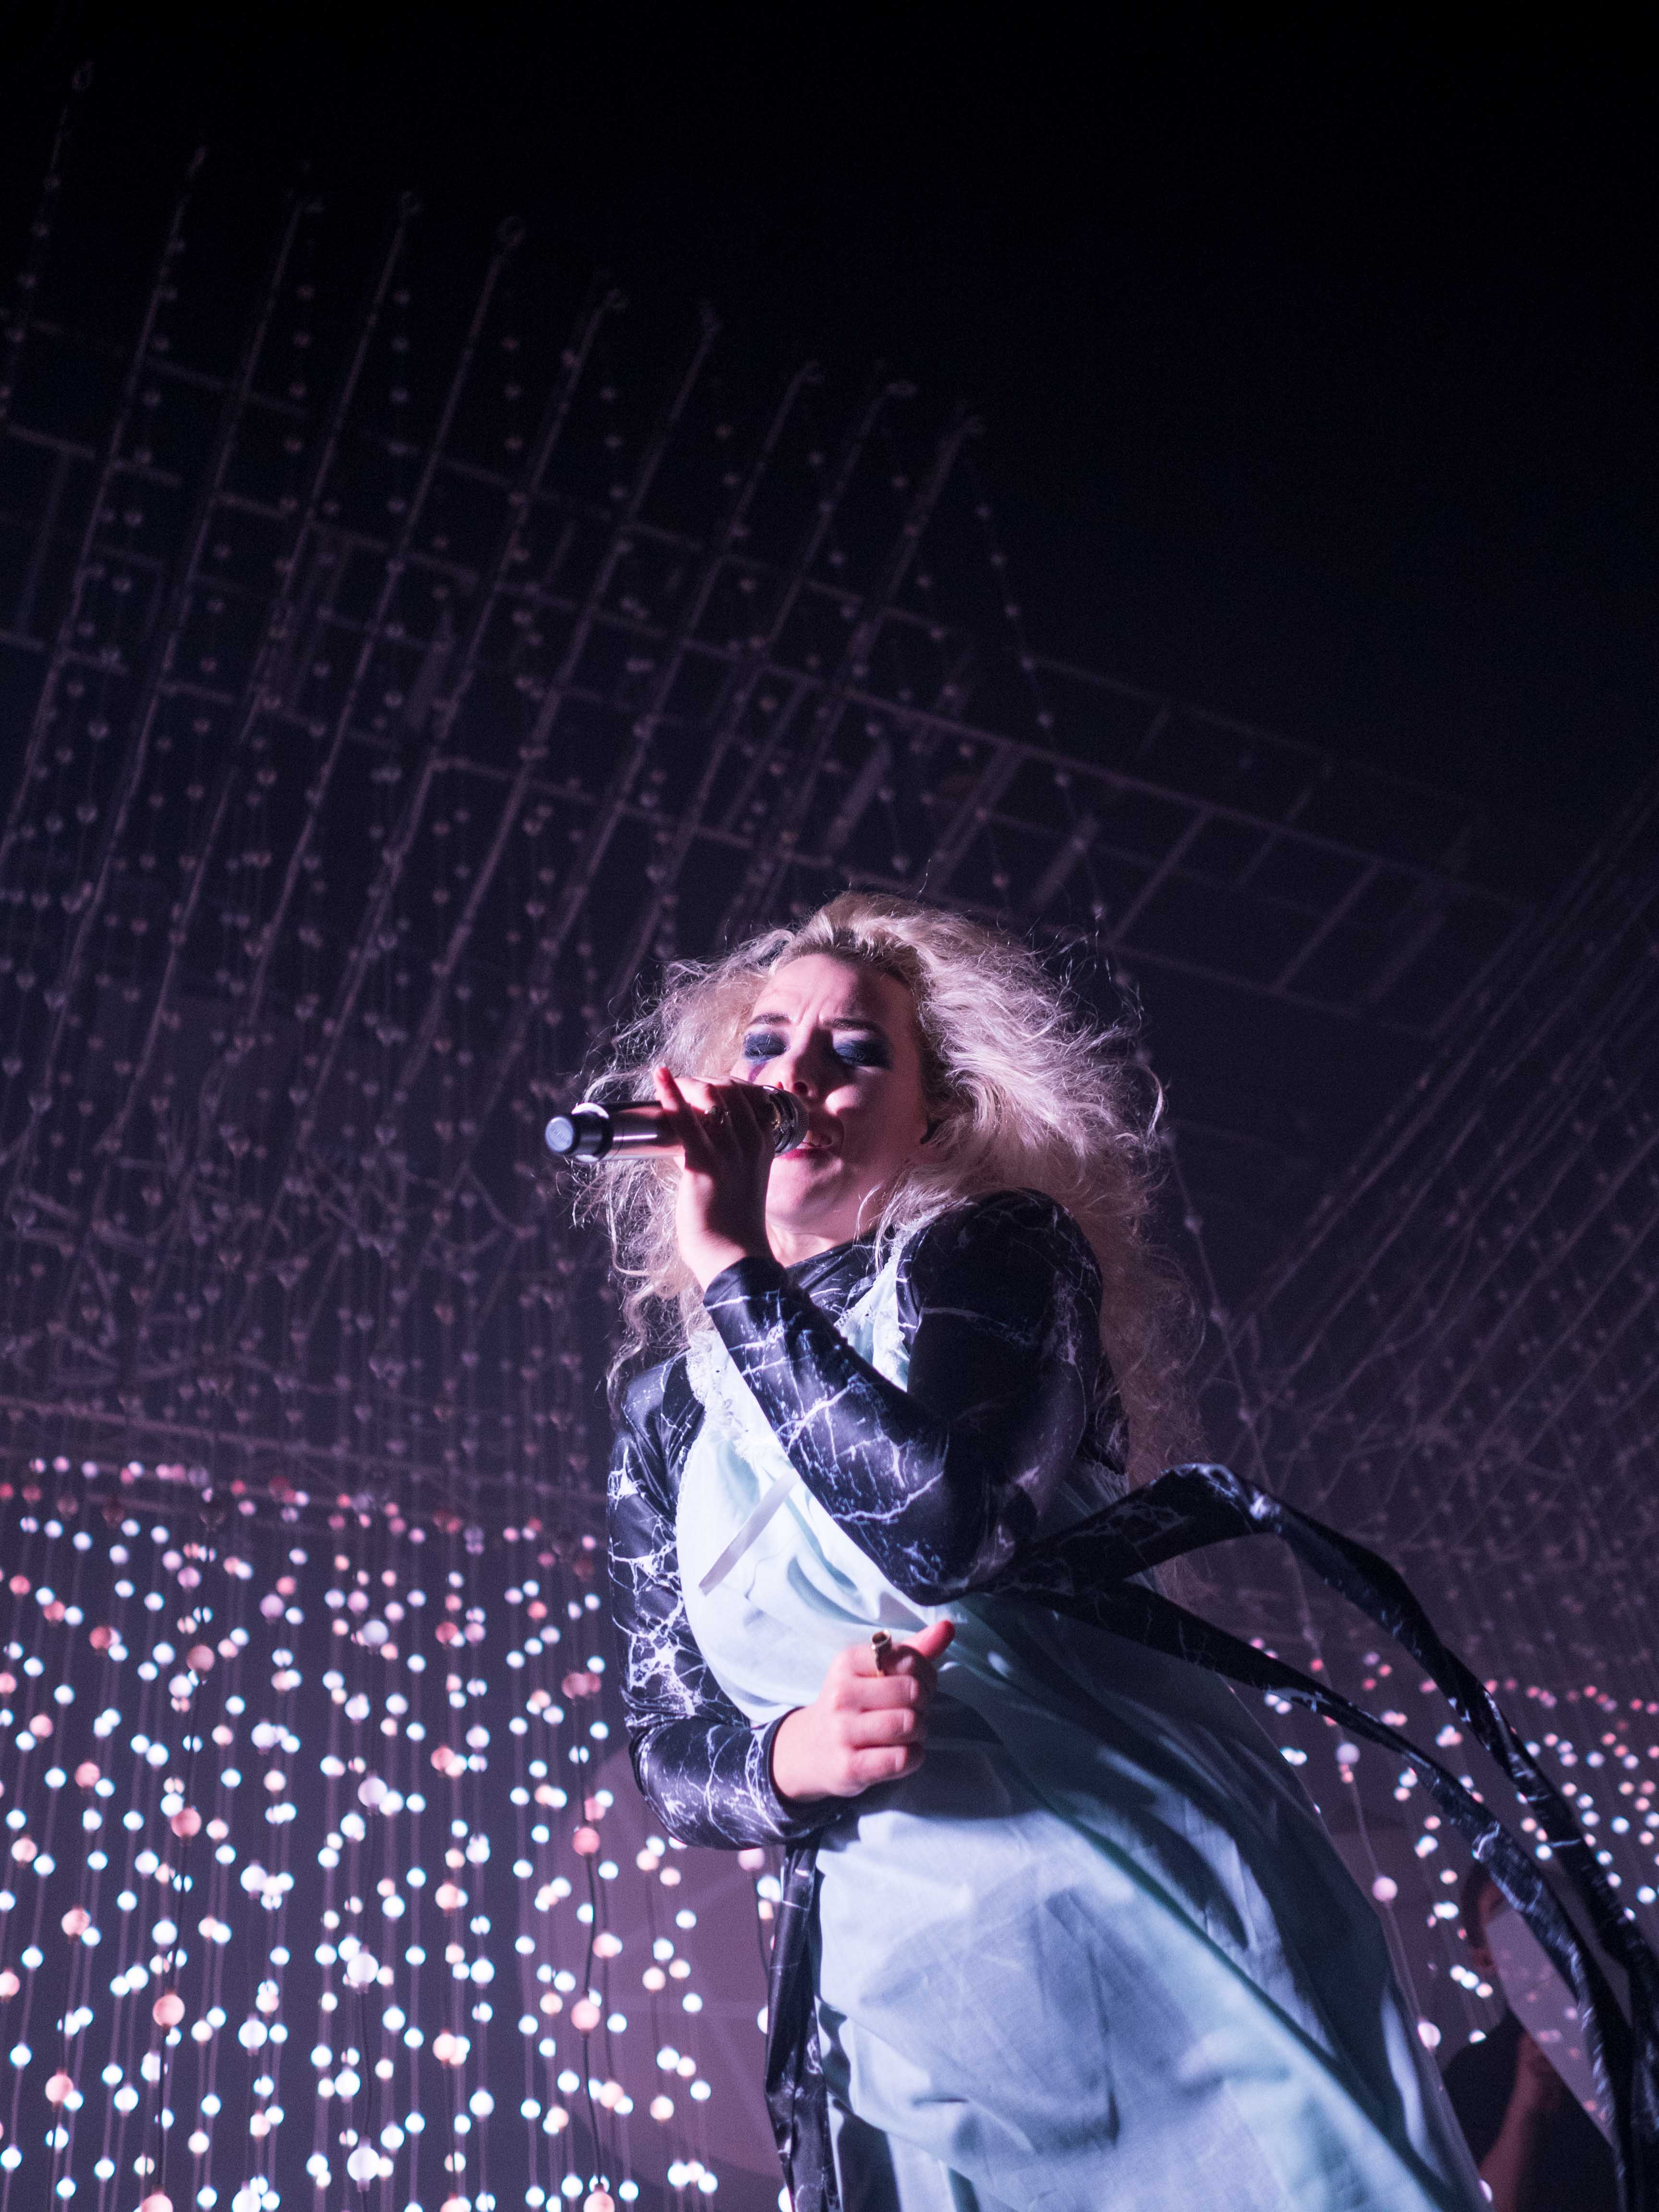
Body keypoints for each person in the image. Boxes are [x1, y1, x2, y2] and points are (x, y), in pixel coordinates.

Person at [594, 893, 1486, 2212]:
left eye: (858, 1052)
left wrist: (737, 1268)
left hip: (1146, 1905)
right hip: (908, 2007)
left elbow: (950, 1526)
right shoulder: (664, 1414)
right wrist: (799, 1754)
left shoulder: (1001, 1251)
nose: (800, 1077)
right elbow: (670, 1748)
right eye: (770, 1045)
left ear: (938, 1115)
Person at [1442, 1864, 1618, 2212]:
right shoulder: (1472, 2073)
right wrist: (1525, 2107)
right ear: (1484, 1959)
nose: (1525, 1916)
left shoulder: (1635, 2015)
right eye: (1503, 1910)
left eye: (1535, 1898)